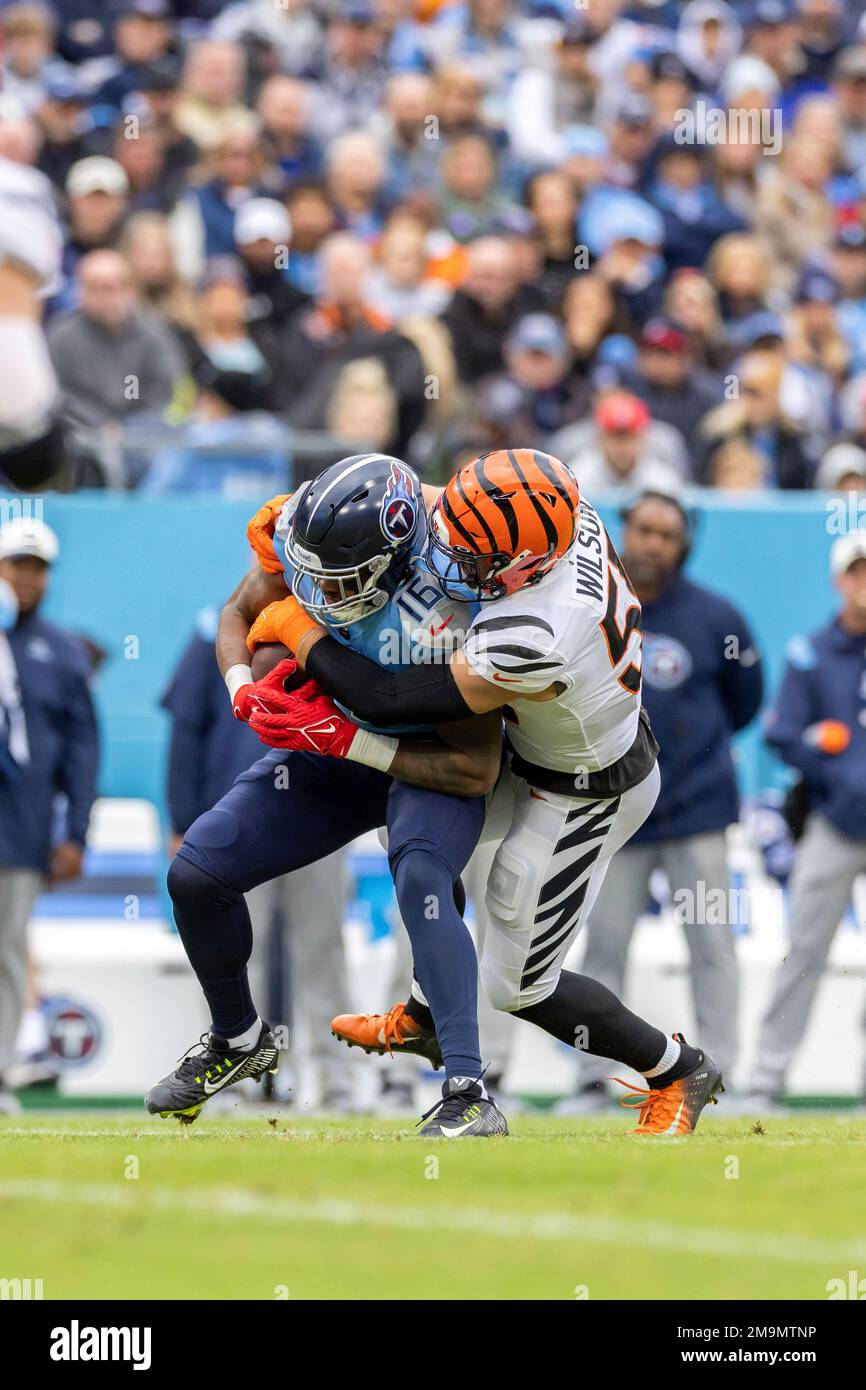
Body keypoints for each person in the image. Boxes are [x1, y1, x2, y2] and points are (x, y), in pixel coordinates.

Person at [252, 450, 725, 1136]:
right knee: (415, 830)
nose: (452, 559)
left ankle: (677, 1068)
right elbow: (457, 502)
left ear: (524, 565)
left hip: (583, 791)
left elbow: (389, 699)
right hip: (540, 746)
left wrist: (298, 627)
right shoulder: (560, 514)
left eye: (476, 560)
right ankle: (424, 1014)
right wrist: (321, 510)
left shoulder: (540, 628)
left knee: (516, 984)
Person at [146, 454, 508, 1138]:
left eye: (336, 579)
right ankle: (238, 1040)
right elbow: (239, 609)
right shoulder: (302, 534)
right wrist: (240, 688)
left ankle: (468, 1089)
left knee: (424, 875)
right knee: (197, 874)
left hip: (431, 754)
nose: (316, 589)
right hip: (339, 744)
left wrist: (353, 741)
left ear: (397, 560)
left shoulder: (453, 603)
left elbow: (474, 769)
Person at [563, 492, 762, 1109]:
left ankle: (720, 1074)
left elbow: (745, 700)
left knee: (710, 945)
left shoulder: (716, 617)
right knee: (604, 945)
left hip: (696, 815)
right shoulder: (590, 608)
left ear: (683, 546)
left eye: (665, 535)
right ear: (626, 531)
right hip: (617, 813)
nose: (651, 544)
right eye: (643, 530)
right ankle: (591, 1081)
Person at [161, 611, 352, 1108]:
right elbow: (187, 727)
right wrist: (183, 820)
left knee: (322, 948)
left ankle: (334, 1081)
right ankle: (240, 1078)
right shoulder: (214, 631)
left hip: (323, 812)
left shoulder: (339, 616)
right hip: (241, 821)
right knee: (236, 950)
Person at [743, 531, 866, 1108]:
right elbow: (782, 734)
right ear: (840, 581)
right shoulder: (812, 653)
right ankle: (768, 1077)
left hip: (839, 816)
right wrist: (832, 764)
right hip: (834, 824)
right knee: (804, 953)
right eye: (857, 571)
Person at [0, 516, 99, 1112]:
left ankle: (3, 1064)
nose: (27, 578)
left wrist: (77, 831)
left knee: (8, 947)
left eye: (38, 568)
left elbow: (82, 747)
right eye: (16, 564)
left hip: (19, 826)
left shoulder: (61, 652)